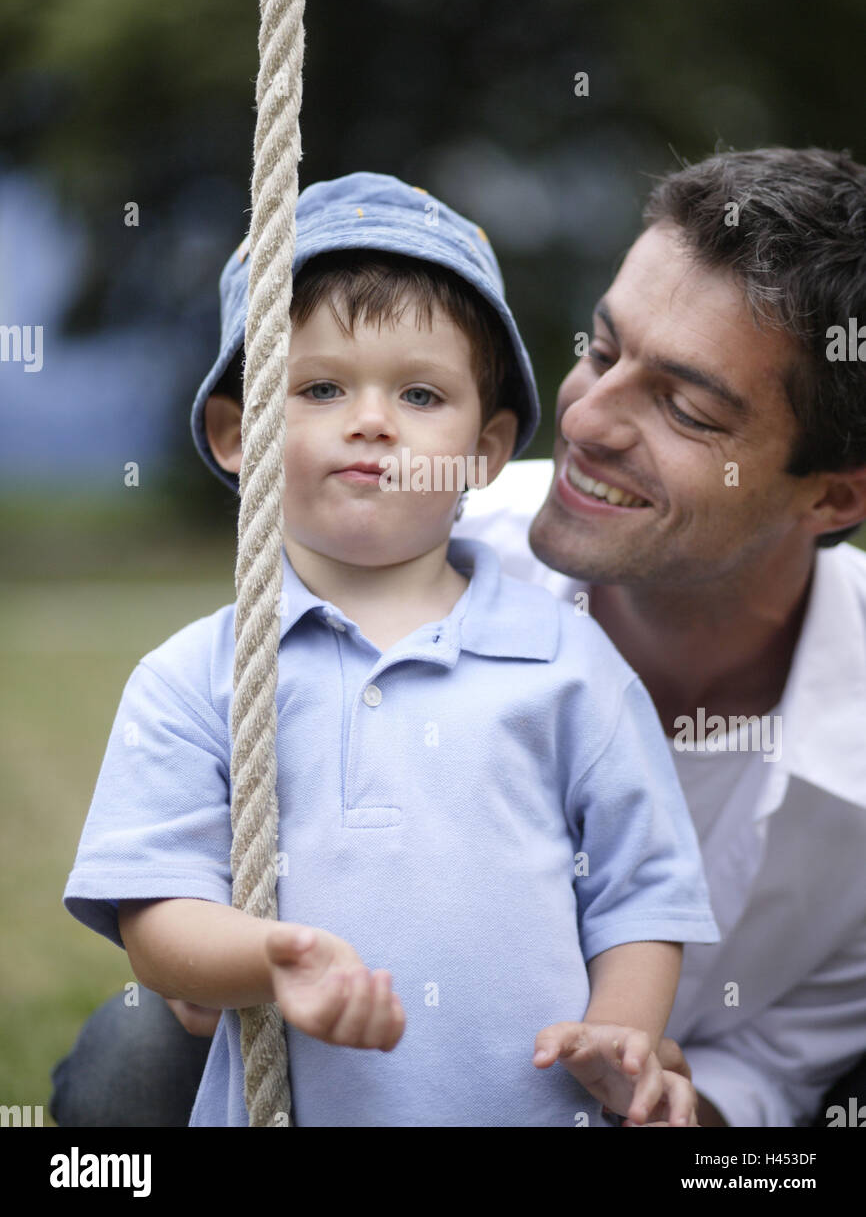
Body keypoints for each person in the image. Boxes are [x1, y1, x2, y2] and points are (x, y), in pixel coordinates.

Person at [53, 145, 866, 1129]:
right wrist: (240, 951)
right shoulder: (388, 548)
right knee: (134, 1047)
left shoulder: (575, 672)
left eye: (685, 408)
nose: (585, 420)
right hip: (316, 1080)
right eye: (601, 350)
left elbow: (760, 1065)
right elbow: (171, 905)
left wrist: (646, 1080)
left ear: (832, 496)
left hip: (554, 1102)